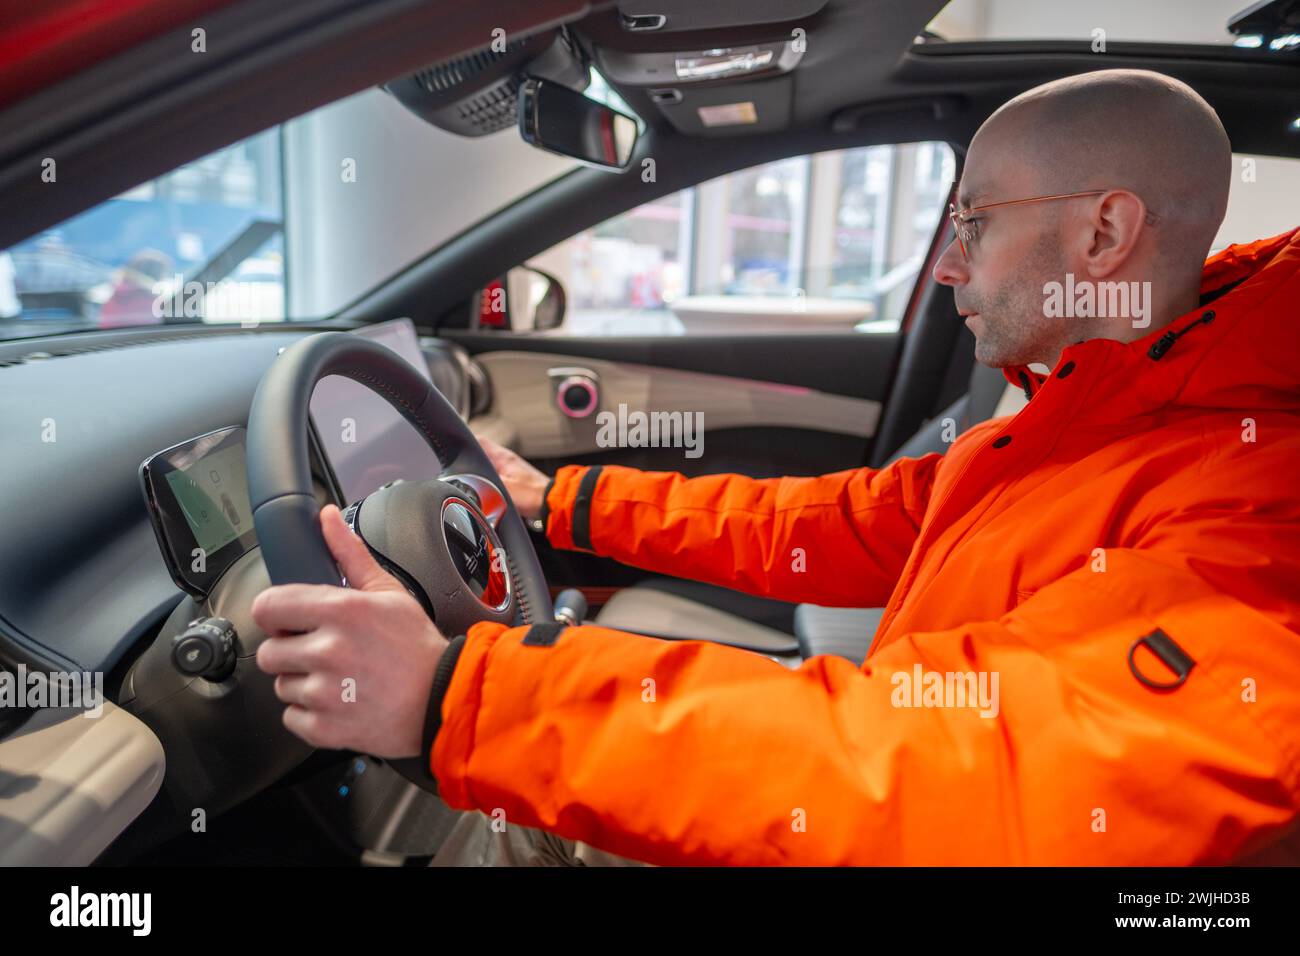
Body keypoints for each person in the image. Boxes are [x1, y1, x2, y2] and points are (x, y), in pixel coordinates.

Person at [252, 69, 1300, 866]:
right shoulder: (1086, 409)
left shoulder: (1247, 504)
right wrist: (563, 499)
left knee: (530, 826)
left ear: (1104, 232)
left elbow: (976, 772)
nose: (945, 263)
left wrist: (451, 695)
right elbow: (840, 523)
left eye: (974, 223)